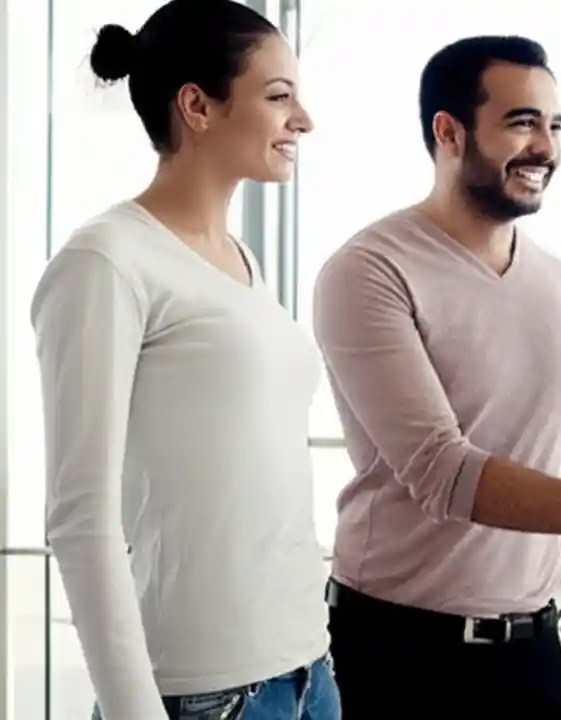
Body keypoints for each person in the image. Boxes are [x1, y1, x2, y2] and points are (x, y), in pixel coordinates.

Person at [311, 35, 561, 718]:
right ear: (449, 132)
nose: (547, 148)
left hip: (531, 657)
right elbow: (443, 472)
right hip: (393, 653)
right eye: (522, 122)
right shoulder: (369, 271)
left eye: (555, 125)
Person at [30, 1, 337, 718]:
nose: (303, 120)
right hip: (201, 692)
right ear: (197, 105)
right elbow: (80, 517)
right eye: (278, 96)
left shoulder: (243, 262)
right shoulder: (105, 260)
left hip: (308, 672)